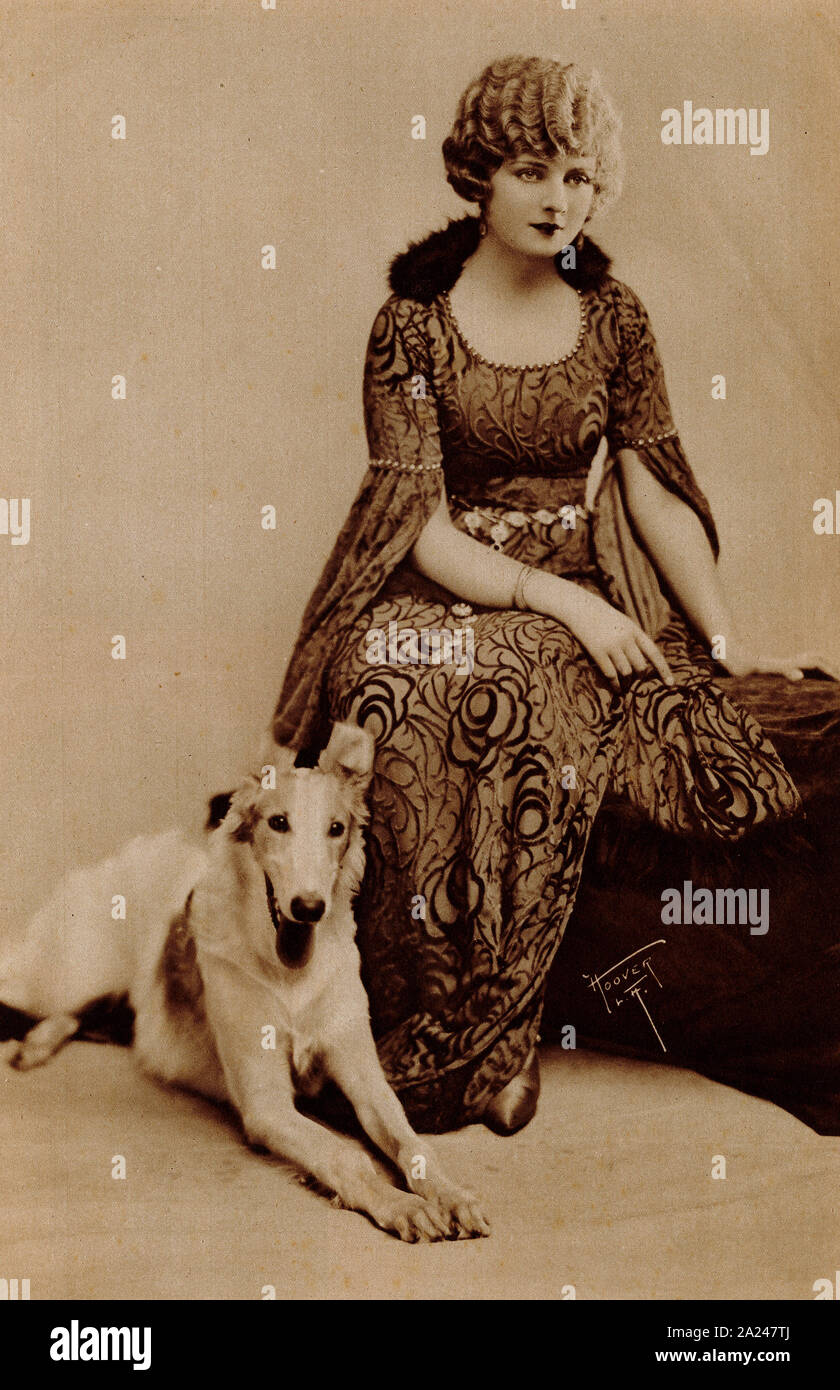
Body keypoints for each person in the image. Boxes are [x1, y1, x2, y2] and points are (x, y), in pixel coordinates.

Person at [271, 55, 836, 1136]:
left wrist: (720, 635)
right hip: (434, 593)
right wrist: (565, 607)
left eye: (579, 175)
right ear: (478, 174)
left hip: (581, 586)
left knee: (544, 681)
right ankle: (409, 1033)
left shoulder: (615, 317)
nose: (558, 197)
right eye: (532, 169)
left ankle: (497, 1039)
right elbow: (420, 525)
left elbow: (653, 487)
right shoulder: (412, 326)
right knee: (397, 685)